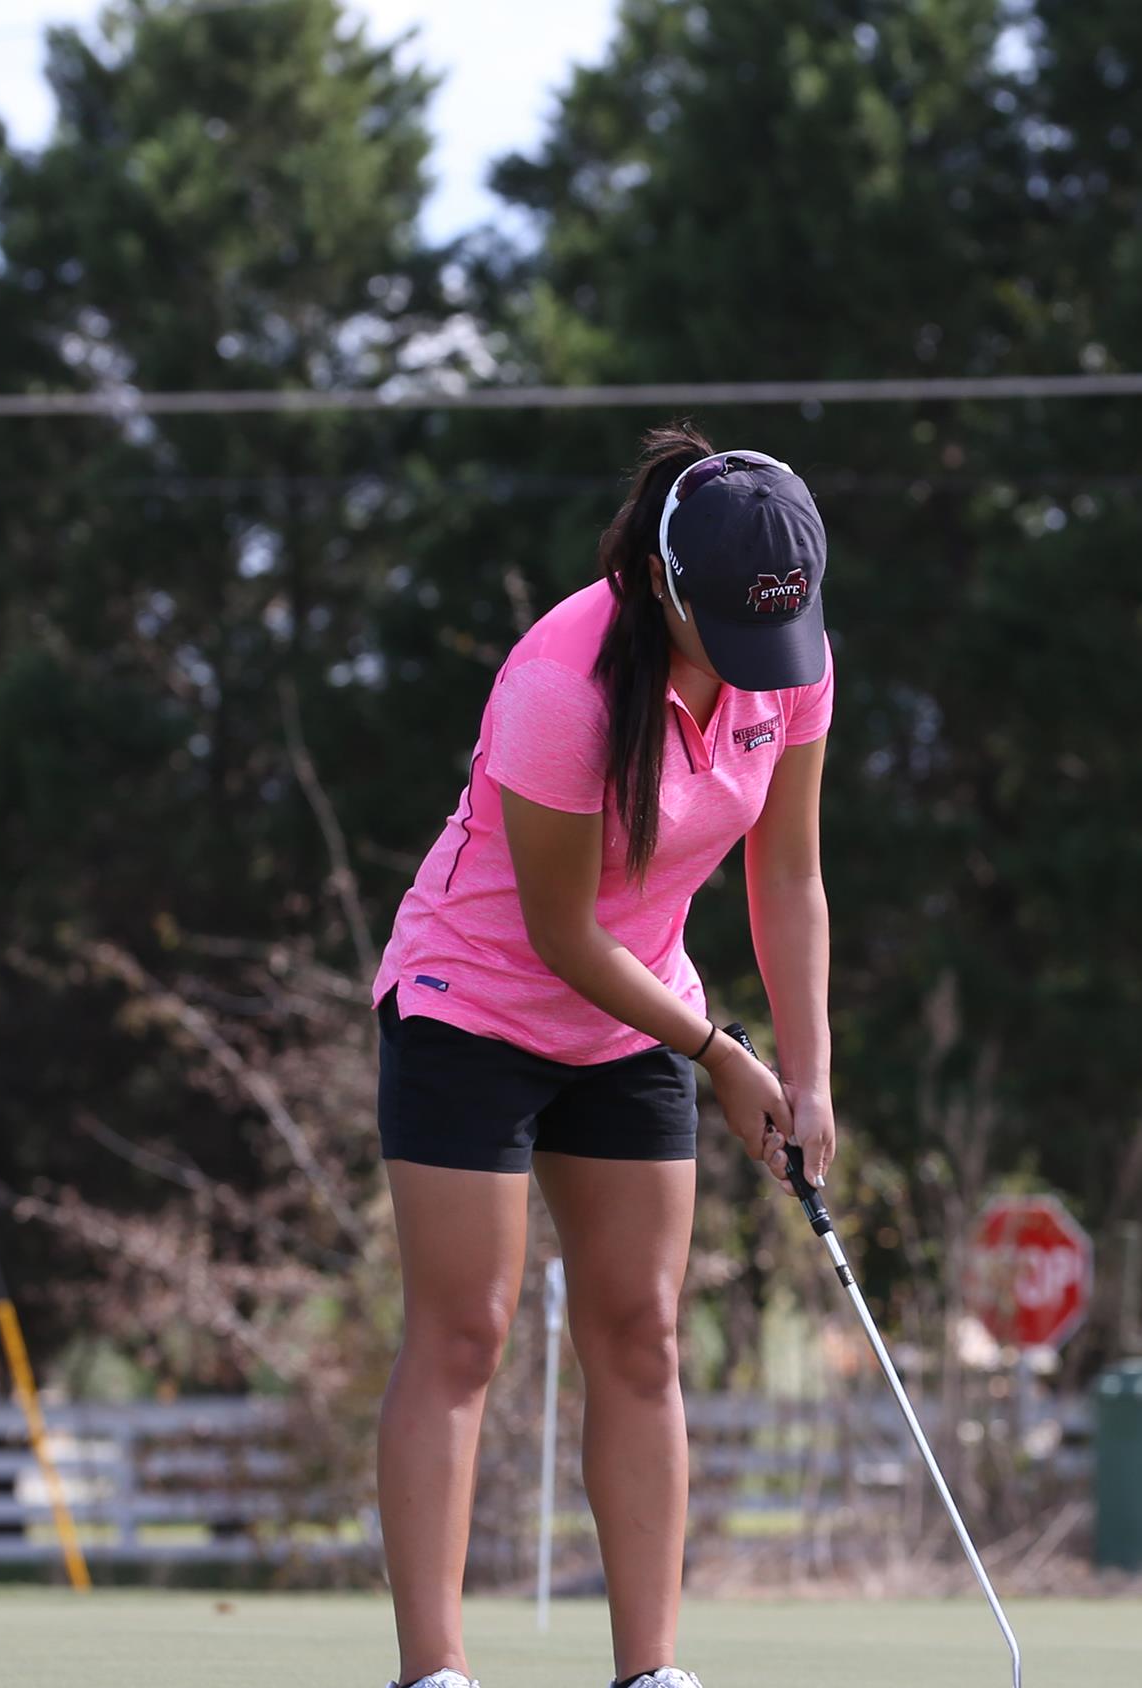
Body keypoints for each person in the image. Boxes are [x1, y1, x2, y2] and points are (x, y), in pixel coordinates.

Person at [366, 425, 842, 1688]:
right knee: (465, 1331)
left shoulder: (787, 659)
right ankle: (435, 1671)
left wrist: (809, 1071)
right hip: (472, 1002)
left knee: (640, 1333)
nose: (754, 666)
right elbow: (562, 931)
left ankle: (650, 1672)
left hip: (638, 1017)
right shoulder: (558, 685)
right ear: (664, 584)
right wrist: (721, 1054)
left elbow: (788, 872)